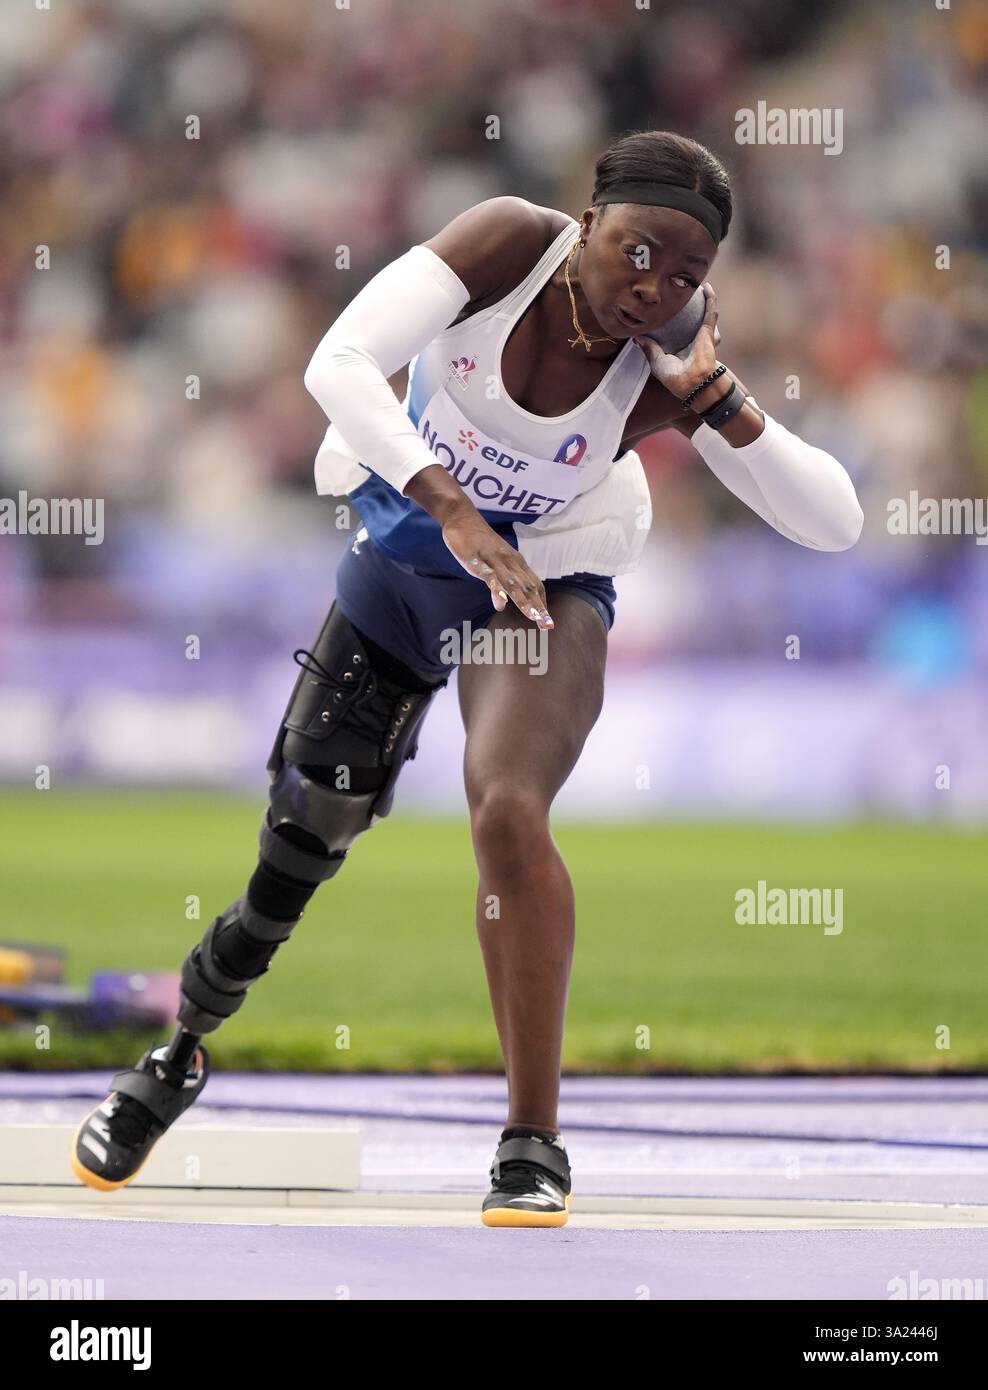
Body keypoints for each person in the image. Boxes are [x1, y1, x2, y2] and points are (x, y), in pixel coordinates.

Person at [71, 130, 863, 1227]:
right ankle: (178, 1052)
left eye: (685, 274)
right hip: (405, 550)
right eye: (638, 252)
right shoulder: (504, 245)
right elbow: (335, 364)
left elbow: (835, 521)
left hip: (534, 593)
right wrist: (450, 510)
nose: (654, 288)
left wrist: (715, 393)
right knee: (304, 833)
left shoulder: (674, 357)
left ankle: (531, 1143)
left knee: (504, 806)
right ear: (588, 224)